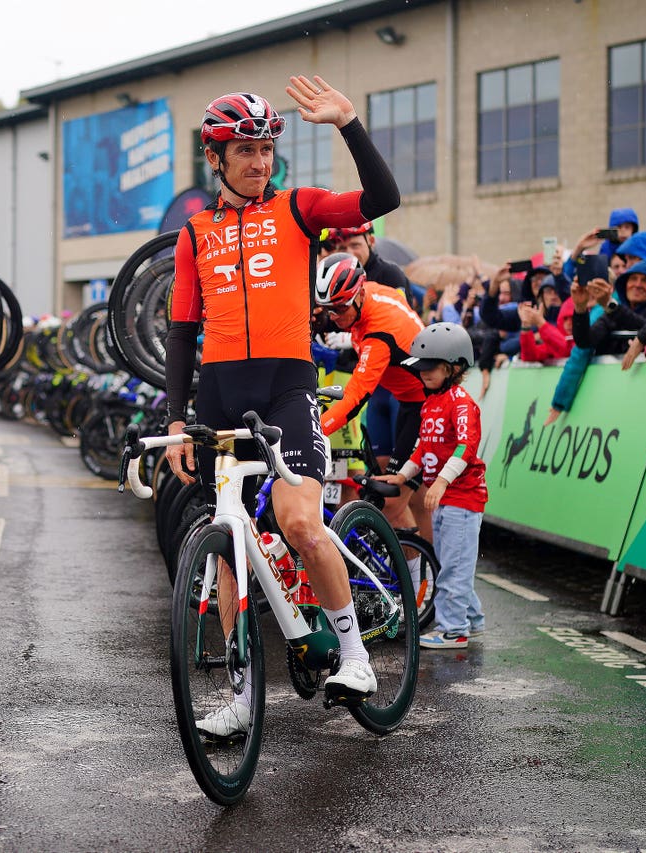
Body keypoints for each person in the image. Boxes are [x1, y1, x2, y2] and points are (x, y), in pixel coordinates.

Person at [164, 77, 402, 730]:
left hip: (285, 390)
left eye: (266, 148)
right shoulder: (194, 234)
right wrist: (176, 418)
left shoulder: (300, 208)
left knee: (299, 523)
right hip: (219, 396)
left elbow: (383, 198)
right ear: (215, 157)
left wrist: (348, 123)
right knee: (227, 549)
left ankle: (356, 656)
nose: (259, 161)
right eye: (245, 149)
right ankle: (243, 697)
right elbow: (182, 333)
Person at [312, 252, 431, 543]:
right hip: (403, 398)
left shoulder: (379, 331)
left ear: (360, 294)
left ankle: (419, 572)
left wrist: (315, 430)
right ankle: (419, 566)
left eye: (340, 308)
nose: (335, 317)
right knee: (411, 499)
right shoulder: (368, 293)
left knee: (391, 503)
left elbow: (354, 398)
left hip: (424, 406)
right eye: (328, 309)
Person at [384, 322, 487, 650]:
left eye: (431, 367)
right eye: (421, 367)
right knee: (450, 562)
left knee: (454, 566)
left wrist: (441, 481)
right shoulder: (430, 403)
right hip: (445, 499)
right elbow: (422, 447)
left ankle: (454, 630)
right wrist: (402, 476)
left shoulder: (461, 402)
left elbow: (466, 446)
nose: (423, 373)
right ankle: (472, 619)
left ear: (454, 367)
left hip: (462, 498)